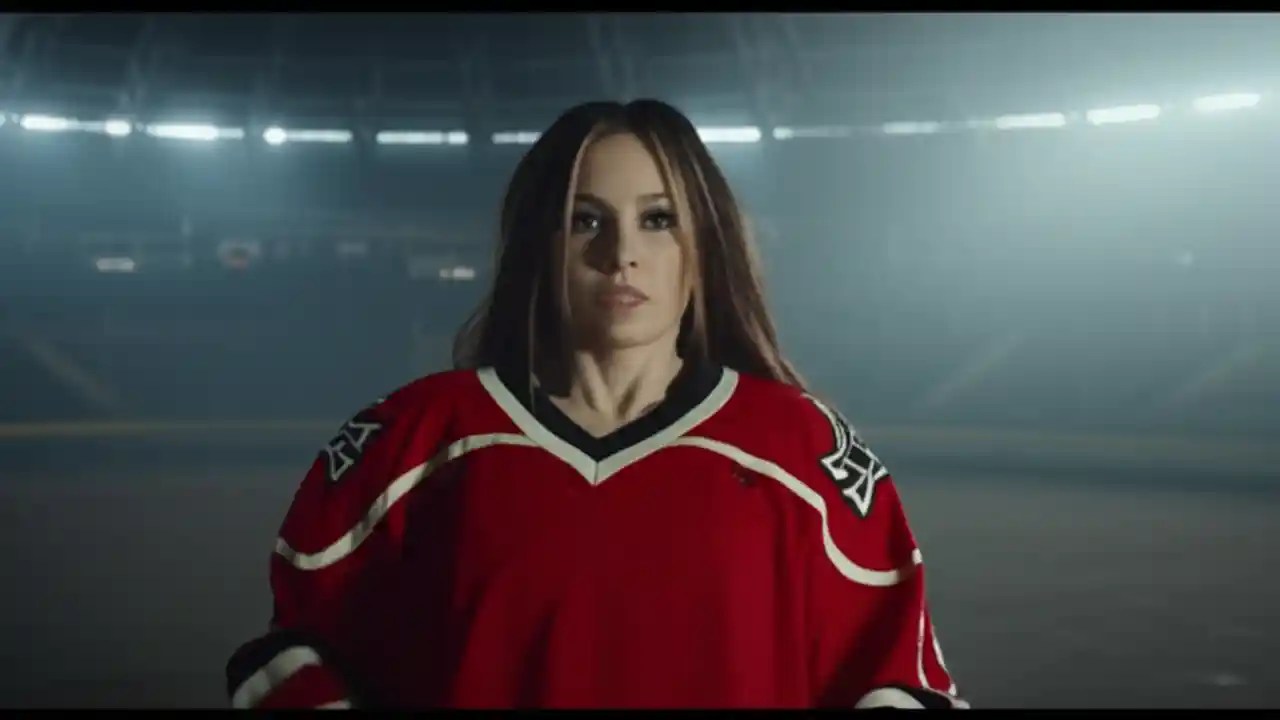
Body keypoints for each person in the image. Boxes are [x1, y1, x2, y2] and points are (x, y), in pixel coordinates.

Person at [224, 99, 967, 710]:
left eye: (658, 218)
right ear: (535, 244)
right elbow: (290, 649)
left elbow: (900, 676)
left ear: (704, 244)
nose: (621, 254)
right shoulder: (413, 437)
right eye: (586, 220)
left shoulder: (802, 447)